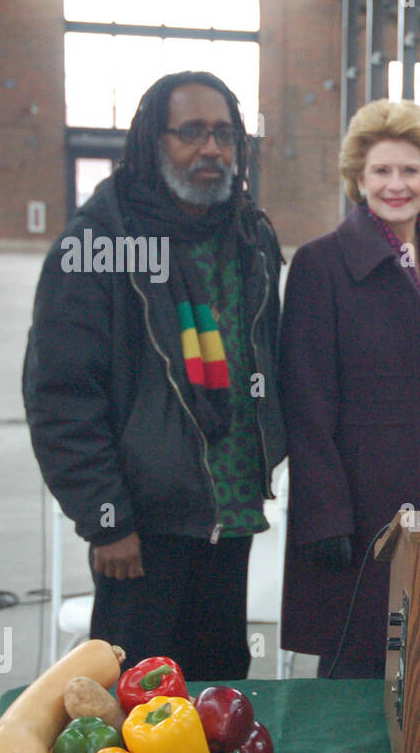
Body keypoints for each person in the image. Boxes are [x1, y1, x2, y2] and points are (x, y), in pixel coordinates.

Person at [24, 71, 285, 679]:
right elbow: (61, 397)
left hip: (230, 513)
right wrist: (105, 518)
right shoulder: (98, 243)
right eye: (190, 132)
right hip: (142, 529)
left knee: (220, 687)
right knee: (136, 697)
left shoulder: (248, 235)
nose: (211, 149)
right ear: (151, 140)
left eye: (223, 133)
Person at [278, 99, 420, 679]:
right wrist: (325, 516)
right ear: (357, 180)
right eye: (381, 172)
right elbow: (306, 400)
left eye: (410, 171)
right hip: (362, 515)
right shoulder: (321, 265)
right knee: (358, 667)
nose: (396, 185)